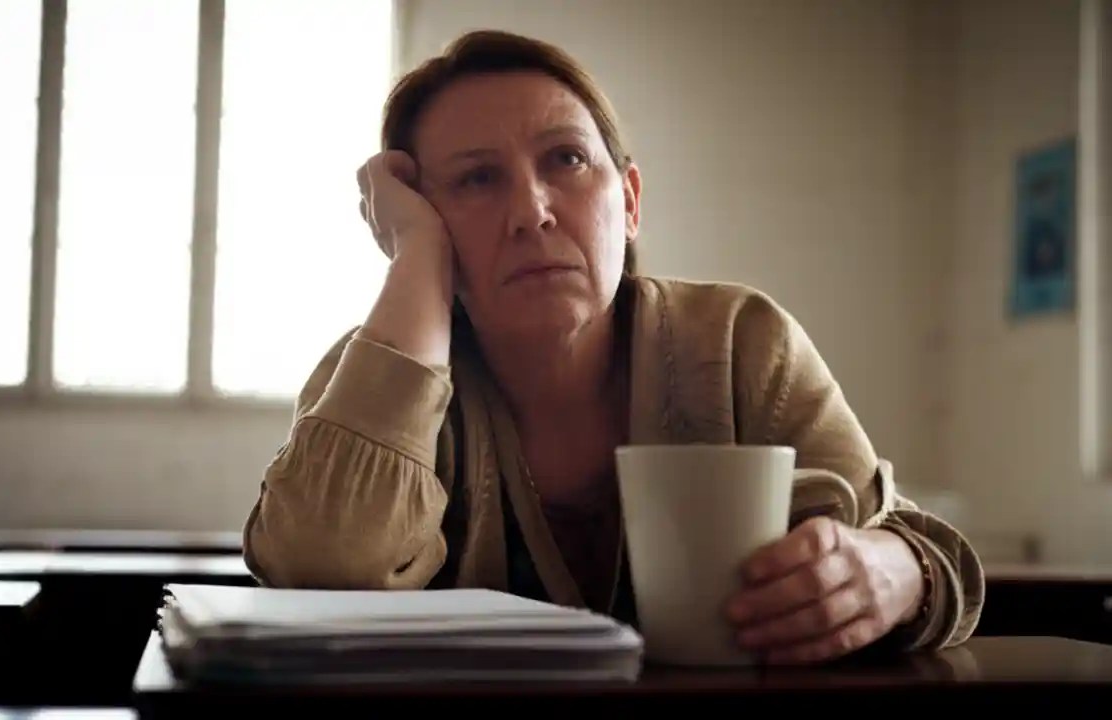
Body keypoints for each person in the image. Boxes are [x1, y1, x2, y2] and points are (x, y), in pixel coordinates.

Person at [242, 29, 985, 666]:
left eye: (565, 160)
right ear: (421, 222)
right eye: (475, 179)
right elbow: (315, 567)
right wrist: (415, 264)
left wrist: (896, 574)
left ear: (627, 201)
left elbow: (922, 550)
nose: (532, 212)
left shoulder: (741, 341)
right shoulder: (376, 369)